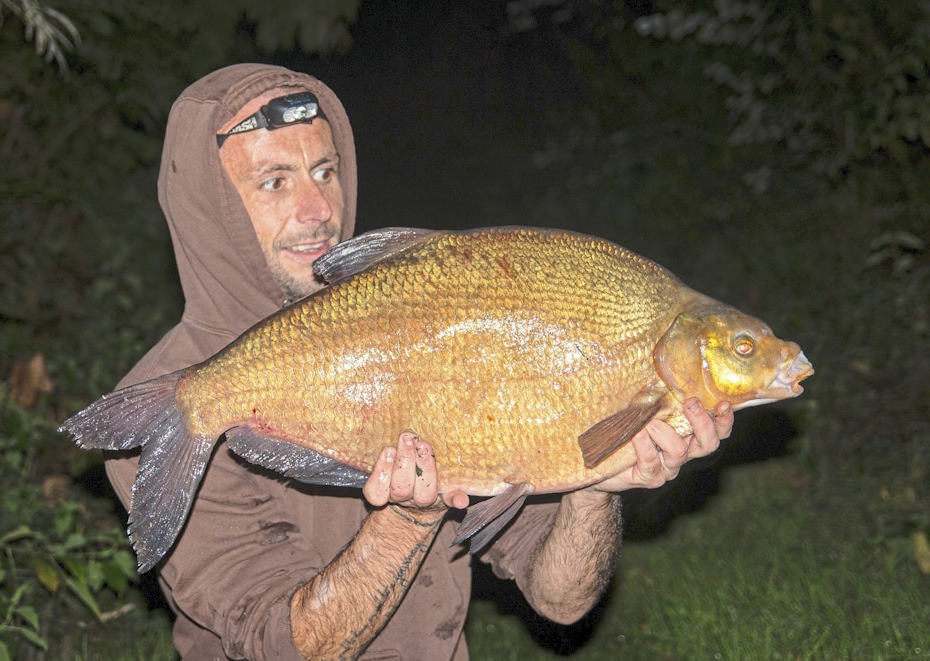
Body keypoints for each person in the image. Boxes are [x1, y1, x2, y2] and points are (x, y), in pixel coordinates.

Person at [103, 63, 733, 660]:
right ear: (209, 210)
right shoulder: (183, 401)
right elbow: (283, 645)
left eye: (325, 171)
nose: (318, 209)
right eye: (274, 182)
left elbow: (561, 600)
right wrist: (407, 519)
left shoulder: (440, 322)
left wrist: (595, 475)